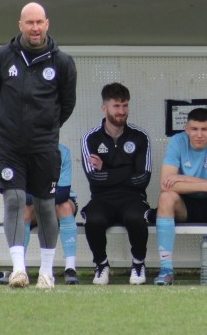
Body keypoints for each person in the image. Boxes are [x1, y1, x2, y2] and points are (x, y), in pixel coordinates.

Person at [0, 2, 77, 290]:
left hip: (44, 146)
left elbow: (66, 104)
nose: (34, 28)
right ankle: (19, 270)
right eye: (29, 23)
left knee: (45, 205)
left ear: (47, 23)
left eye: (39, 22)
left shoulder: (62, 62)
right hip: (9, 145)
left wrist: (45, 128)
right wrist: (9, 125)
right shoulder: (1, 57)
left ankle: (46, 273)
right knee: (13, 200)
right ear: (19, 24)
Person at [154, 108, 207, 286]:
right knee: (166, 198)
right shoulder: (177, 142)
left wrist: (184, 178)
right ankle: (166, 270)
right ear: (186, 129)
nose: (199, 134)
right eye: (194, 129)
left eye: (204, 129)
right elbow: (165, 185)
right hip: (185, 205)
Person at [80, 83, 152, 285]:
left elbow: (143, 178)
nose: (121, 111)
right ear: (105, 108)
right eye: (116, 106)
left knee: (135, 216)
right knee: (93, 218)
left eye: (125, 106)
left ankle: (138, 264)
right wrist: (128, 170)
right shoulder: (90, 138)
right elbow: (94, 178)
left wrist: (106, 170)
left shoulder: (140, 136)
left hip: (133, 197)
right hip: (102, 198)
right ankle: (101, 265)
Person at [23, 144, 80, 285]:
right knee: (23, 209)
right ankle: (19, 268)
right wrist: (40, 201)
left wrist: (43, 200)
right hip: (34, 203)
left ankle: (70, 269)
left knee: (65, 207)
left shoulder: (63, 152)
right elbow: (21, 194)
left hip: (57, 202)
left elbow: (63, 193)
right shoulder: (23, 151)